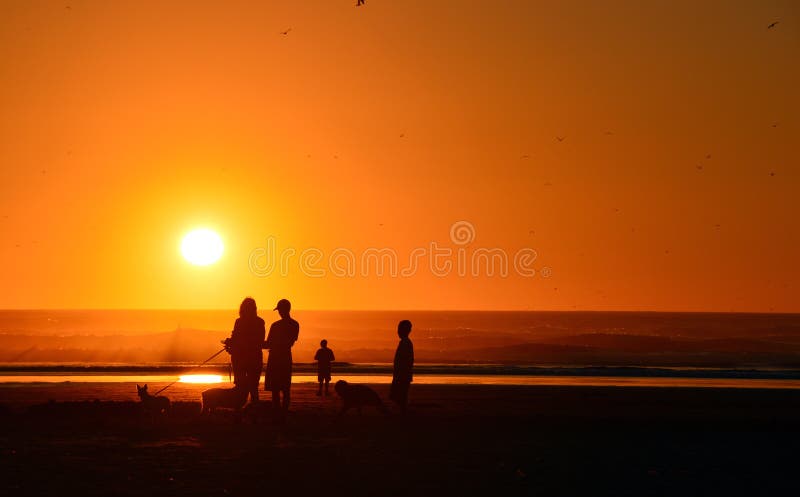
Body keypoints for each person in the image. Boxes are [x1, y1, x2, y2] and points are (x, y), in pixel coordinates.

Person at [224, 297, 265, 402]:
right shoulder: (260, 322)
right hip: (254, 359)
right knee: (253, 388)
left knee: (240, 387)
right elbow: (259, 341)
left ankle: (239, 412)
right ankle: (254, 411)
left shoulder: (239, 322)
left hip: (240, 359)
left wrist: (229, 343)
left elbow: (235, 339)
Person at [263, 298, 299, 415]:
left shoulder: (275, 325)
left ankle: (277, 411)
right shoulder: (295, 324)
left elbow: (268, 343)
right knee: (285, 387)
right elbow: (291, 342)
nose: (278, 312)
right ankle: (284, 411)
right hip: (286, 357)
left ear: (281, 310)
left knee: (275, 388)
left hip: (274, 358)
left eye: (279, 310)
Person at [390, 319, 414, 413]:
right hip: (402, 374)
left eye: (399, 329)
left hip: (402, 374)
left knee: (399, 395)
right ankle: (403, 411)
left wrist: (400, 373)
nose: (398, 332)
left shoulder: (406, 343)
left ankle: (404, 412)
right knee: (399, 395)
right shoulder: (405, 342)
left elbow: (406, 361)